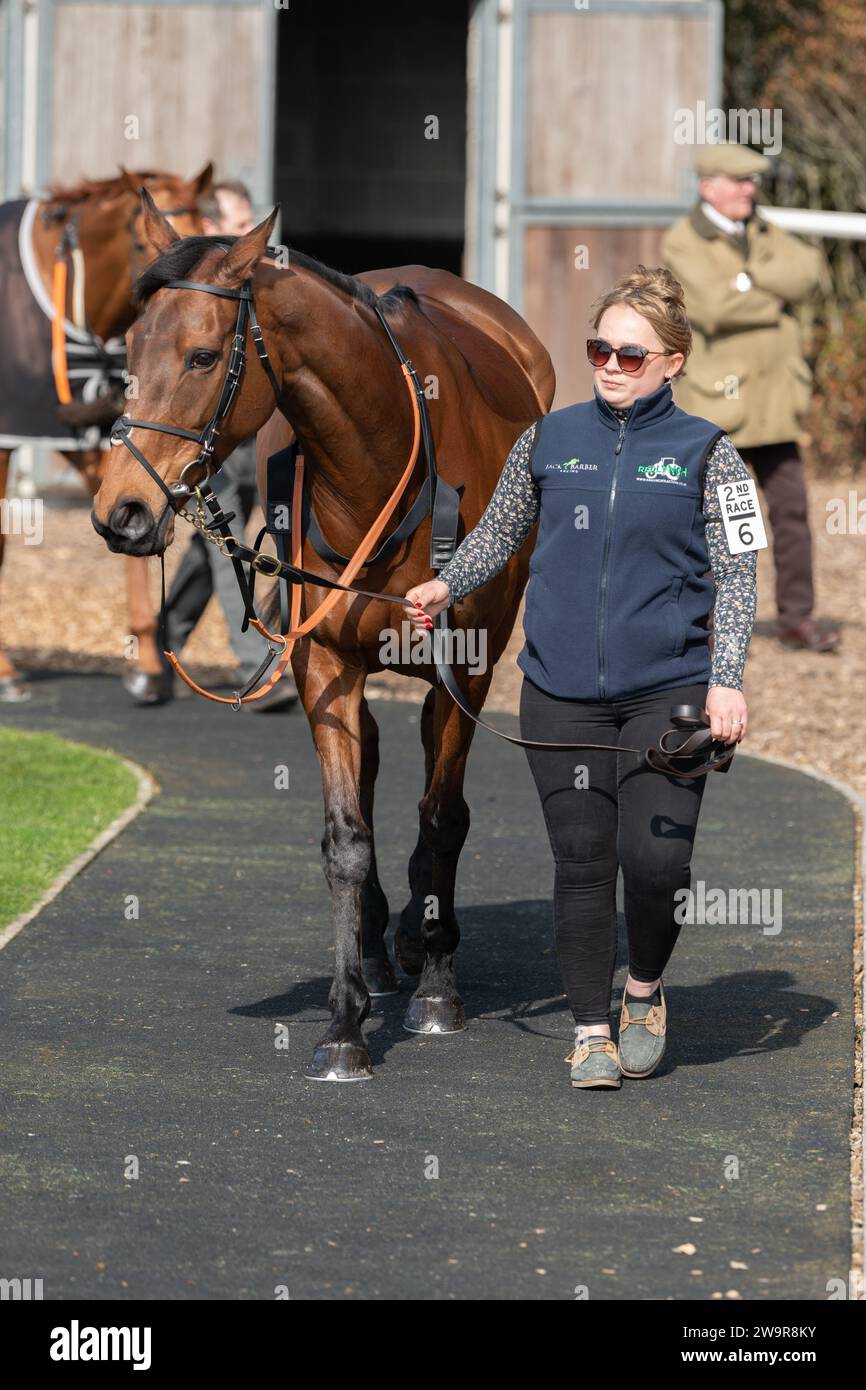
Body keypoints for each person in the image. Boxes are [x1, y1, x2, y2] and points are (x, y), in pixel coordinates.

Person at [404, 266, 759, 1090]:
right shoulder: (549, 439)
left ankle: (644, 990)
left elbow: (739, 575)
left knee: (657, 864)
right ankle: (592, 1032)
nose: (609, 364)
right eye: (599, 347)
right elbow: (497, 534)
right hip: (560, 691)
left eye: (631, 354)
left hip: (669, 692)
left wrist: (727, 679)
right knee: (582, 862)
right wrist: (446, 583)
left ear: (673, 360)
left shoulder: (712, 455)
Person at [124, 180, 298, 712]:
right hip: (204, 436)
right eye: (229, 215)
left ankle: (159, 645)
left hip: (249, 429)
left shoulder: (254, 280)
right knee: (225, 546)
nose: (241, 226)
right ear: (204, 224)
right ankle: (254, 663)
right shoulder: (192, 288)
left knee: (208, 547)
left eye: (245, 213)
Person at [662, 143, 839, 654]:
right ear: (708, 185)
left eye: (752, 182)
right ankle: (710, 625)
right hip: (724, 411)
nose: (749, 190)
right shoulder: (682, 239)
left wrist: (749, 279)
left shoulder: (763, 230)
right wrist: (773, 292)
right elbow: (712, 308)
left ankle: (796, 619)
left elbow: (809, 274)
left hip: (775, 405)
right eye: (738, 181)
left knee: (791, 513)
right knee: (722, 520)